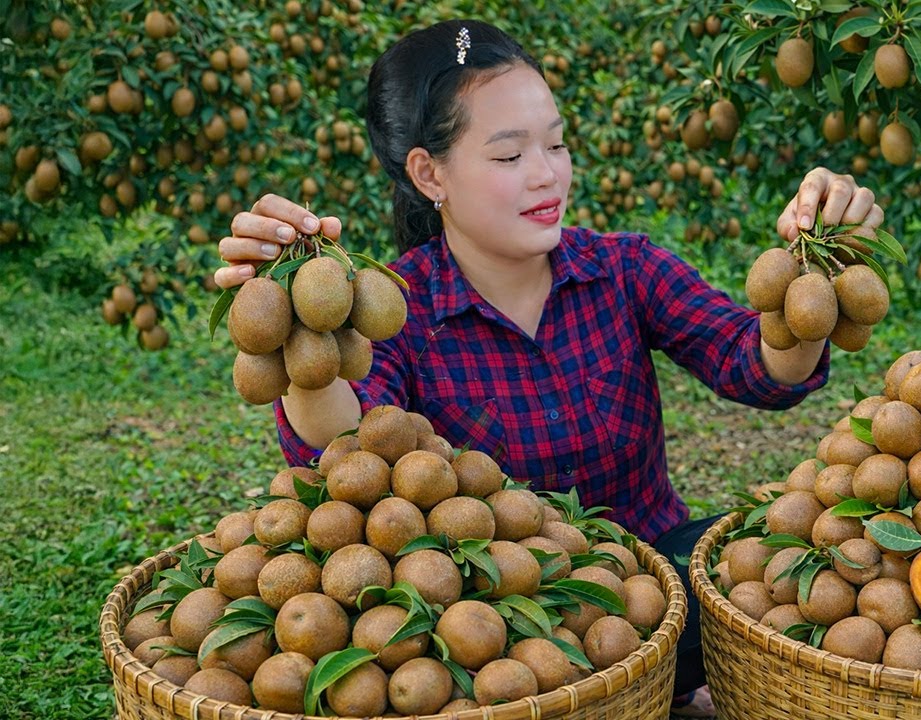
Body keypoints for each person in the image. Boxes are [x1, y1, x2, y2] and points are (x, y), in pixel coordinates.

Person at [215, 19, 884, 717]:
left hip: (652, 587)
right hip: (490, 626)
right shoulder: (394, 308)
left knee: (757, 570)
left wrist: (811, 278)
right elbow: (342, 453)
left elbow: (758, 365)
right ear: (428, 173)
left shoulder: (623, 267)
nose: (548, 174)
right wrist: (297, 333)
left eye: (558, 144)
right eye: (509, 157)